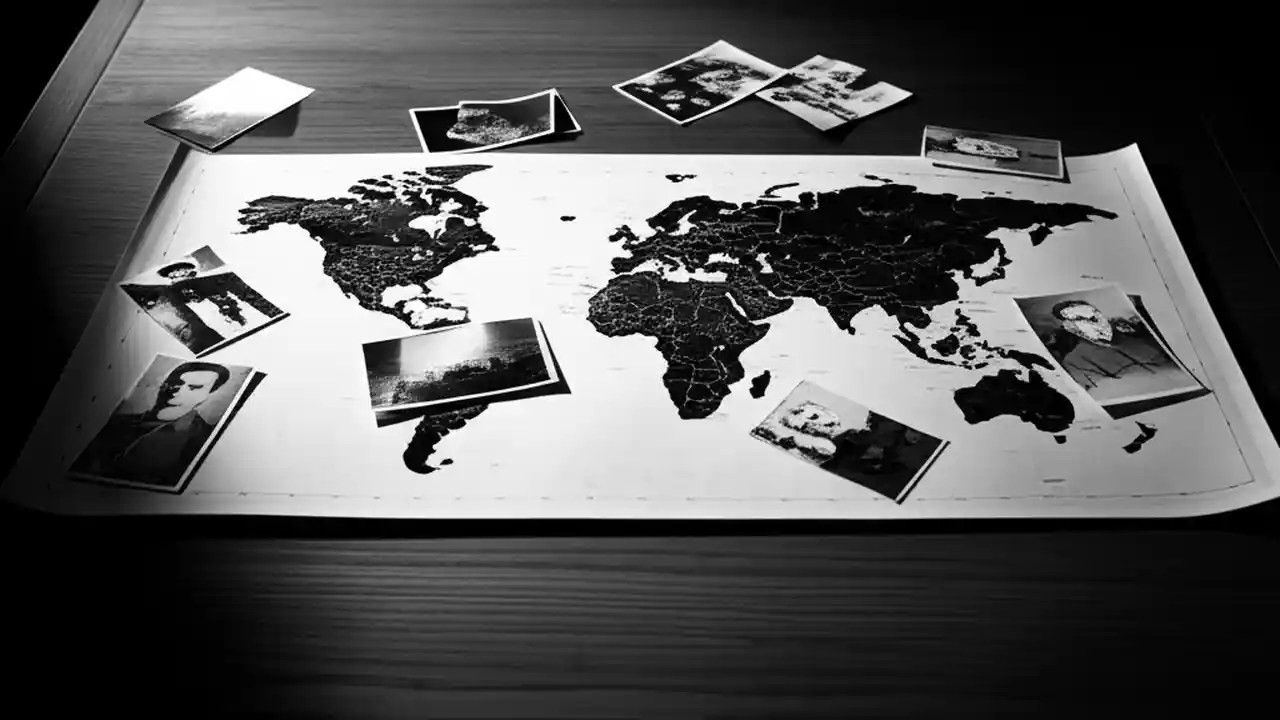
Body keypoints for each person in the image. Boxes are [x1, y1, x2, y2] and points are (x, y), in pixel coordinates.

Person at [71, 361, 231, 488]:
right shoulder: (120, 421)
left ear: (207, 395)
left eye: (194, 387)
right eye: (174, 383)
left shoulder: (203, 438)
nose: (177, 391)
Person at [1040, 299, 1176, 392]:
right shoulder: (1076, 361)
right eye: (1082, 320)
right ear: (1070, 327)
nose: (1098, 324)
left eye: (1095, 317)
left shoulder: (1139, 337)